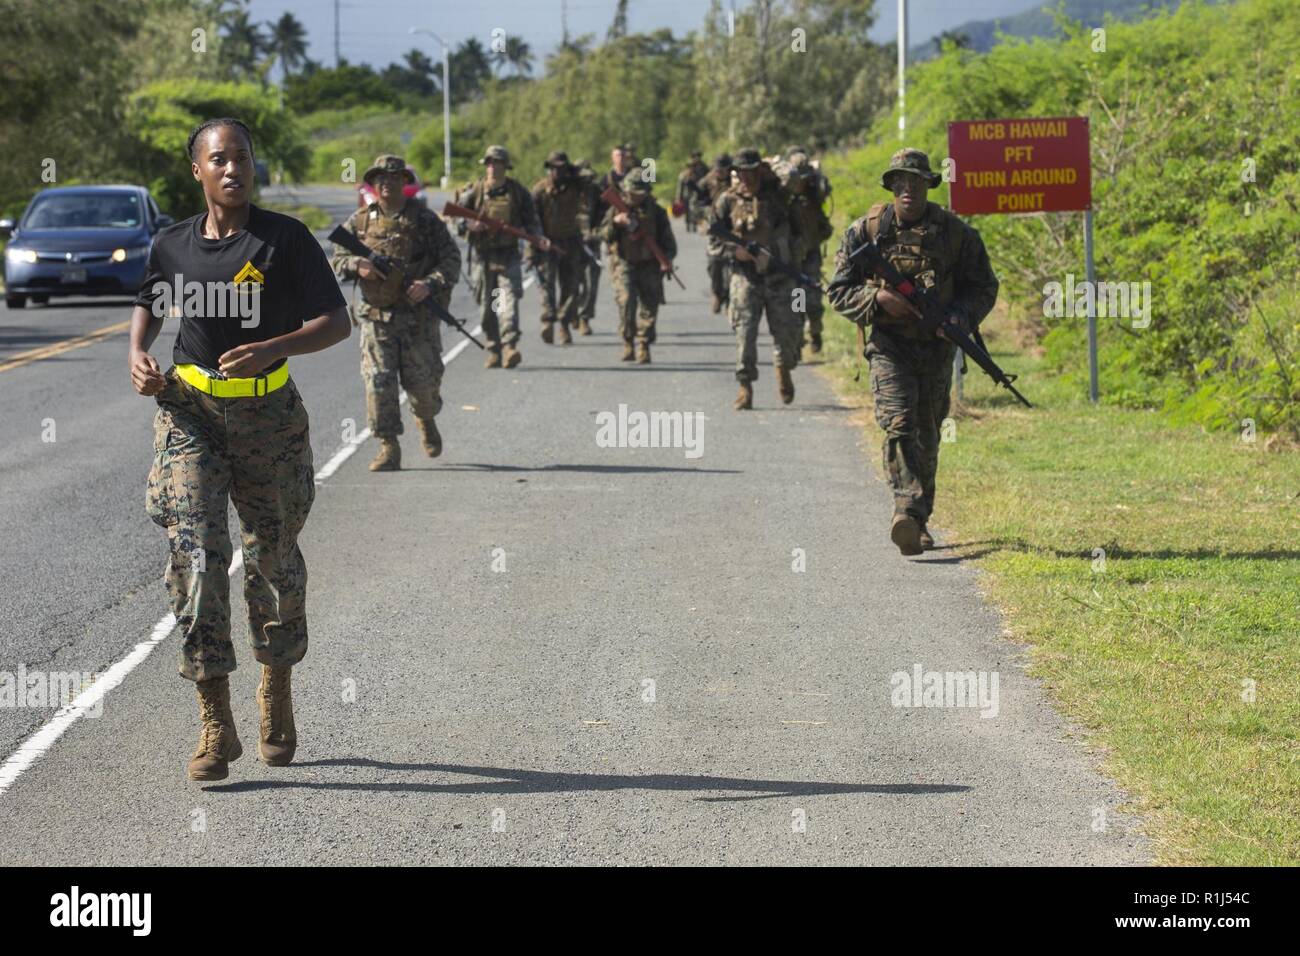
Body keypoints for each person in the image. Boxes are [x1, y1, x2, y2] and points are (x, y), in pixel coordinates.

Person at [128, 117, 350, 781]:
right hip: (189, 411)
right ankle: (214, 716)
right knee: (195, 551)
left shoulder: (284, 239)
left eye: (243, 159)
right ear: (197, 170)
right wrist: (136, 351)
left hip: (269, 414)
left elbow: (336, 322)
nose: (234, 170)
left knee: (272, 555)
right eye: (219, 160)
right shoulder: (172, 244)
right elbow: (150, 300)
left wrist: (275, 345)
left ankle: (274, 688)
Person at [826, 148, 999, 555]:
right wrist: (878, 300)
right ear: (891, 186)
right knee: (899, 423)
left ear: (928, 185)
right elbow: (838, 290)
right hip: (890, 347)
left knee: (927, 432)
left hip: (936, 349)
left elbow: (984, 287)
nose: (909, 189)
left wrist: (958, 316)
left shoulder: (956, 234)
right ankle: (905, 508)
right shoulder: (865, 232)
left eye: (917, 181)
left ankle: (919, 518)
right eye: (901, 181)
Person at [331, 154, 461, 472]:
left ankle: (425, 418)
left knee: (424, 388)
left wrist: (429, 284)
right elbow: (337, 258)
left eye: (393, 177)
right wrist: (356, 265)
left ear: (405, 182)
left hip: (418, 320)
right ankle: (388, 446)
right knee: (378, 383)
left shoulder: (425, 221)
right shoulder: (360, 221)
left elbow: (451, 259)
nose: (386, 183)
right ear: (373, 184)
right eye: (380, 178)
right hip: (376, 319)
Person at [711, 147, 803, 410]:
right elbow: (713, 239)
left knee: (787, 333)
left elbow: (794, 177)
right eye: (741, 172)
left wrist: (773, 164)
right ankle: (745, 387)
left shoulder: (779, 195)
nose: (747, 177)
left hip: (780, 276)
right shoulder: (727, 200)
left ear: (760, 170)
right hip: (745, 278)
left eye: (752, 171)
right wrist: (735, 251)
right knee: (744, 333)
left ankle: (783, 369)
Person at [454, 145, 545, 368]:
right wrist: (469, 225)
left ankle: (509, 345)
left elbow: (532, 221)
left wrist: (538, 239)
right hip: (482, 257)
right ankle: (493, 346)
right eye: (489, 163)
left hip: (508, 256)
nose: (492, 167)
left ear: (505, 166)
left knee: (508, 303)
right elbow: (456, 217)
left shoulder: (517, 192)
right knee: (488, 307)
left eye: (497, 163)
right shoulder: (474, 191)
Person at [601, 167, 676, 364]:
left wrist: (665, 260)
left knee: (650, 308)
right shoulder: (616, 209)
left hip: (650, 265)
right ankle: (628, 342)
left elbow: (669, 243)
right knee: (626, 302)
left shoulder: (657, 212)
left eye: (639, 194)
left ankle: (643, 344)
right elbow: (603, 235)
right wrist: (616, 223)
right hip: (624, 263)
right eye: (632, 193)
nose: (635, 198)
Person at [529, 151, 592, 346]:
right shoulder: (539, 190)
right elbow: (531, 221)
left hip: (571, 243)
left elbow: (591, 179)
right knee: (546, 286)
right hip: (547, 244)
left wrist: (573, 171)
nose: (557, 171)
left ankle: (564, 324)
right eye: (554, 167)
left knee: (571, 287)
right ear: (549, 168)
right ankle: (548, 321)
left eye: (561, 168)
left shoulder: (574, 186)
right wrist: (532, 248)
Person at [697, 153, 734, 314]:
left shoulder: (737, 181)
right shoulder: (706, 182)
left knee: (734, 265)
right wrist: (706, 213)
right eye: (717, 169)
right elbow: (696, 202)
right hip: (714, 228)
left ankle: (731, 300)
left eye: (723, 169)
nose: (719, 172)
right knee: (714, 265)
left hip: (733, 228)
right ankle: (718, 293)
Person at [573, 158, 602, 335]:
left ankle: (584, 317)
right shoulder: (566, 191)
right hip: (571, 244)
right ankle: (572, 312)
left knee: (591, 283)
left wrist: (597, 233)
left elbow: (605, 215)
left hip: (592, 244)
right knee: (573, 283)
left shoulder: (597, 191)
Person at [676, 150, 709, 232]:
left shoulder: (702, 169)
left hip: (694, 195)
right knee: (687, 211)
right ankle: (688, 224)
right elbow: (680, 186)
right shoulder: (683, 174)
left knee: (693, 210)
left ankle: (694, 224)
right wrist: (678, 198)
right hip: (685, 195)